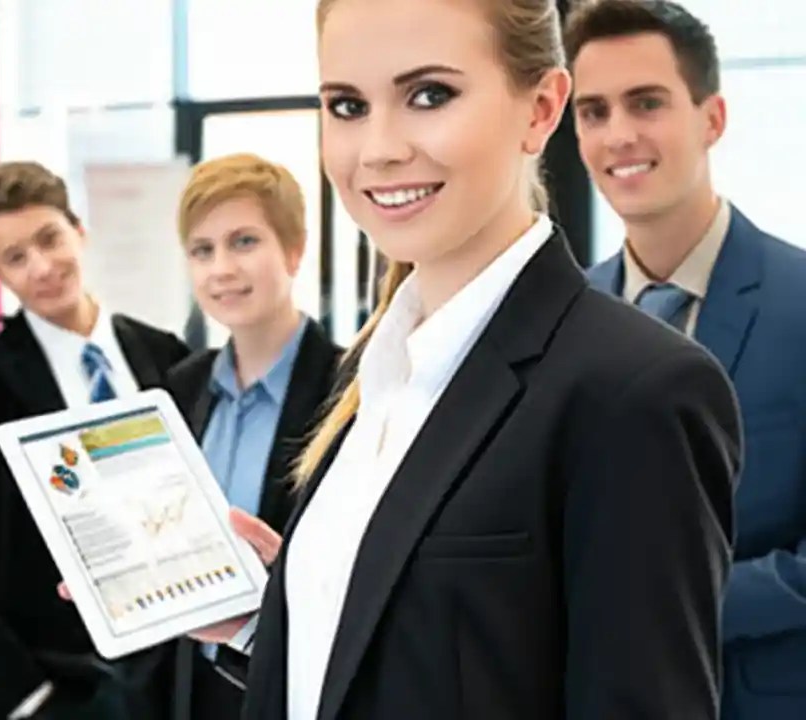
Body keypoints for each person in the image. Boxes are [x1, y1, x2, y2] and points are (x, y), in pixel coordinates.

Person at [205, 0, 741, 717]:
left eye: (430, 95)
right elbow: (451, 652)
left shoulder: (633, 389)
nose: (380, 149)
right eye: (347, 105)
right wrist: (275, 618)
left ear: (542, 109)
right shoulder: (373, 372)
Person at [568, 3, 806, 717]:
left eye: (647, 103)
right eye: (594, 111)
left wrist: (667, 608)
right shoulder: (560, 318)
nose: (619, 135)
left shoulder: (802, 304)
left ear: (713, 119)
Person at [0, 160, 191, 720]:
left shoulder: (168, 358)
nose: (41, 267)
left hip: (172, 676)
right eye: (16, 257)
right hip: (47, 686)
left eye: (50, 239)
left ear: (78, 231)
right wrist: (21, 693)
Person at [163, 153, 341, 720]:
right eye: (202, 250)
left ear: (293, 249)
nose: (221, 269)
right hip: (193, 688)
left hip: (298, 686)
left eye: (244, 242)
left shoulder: (351, 390)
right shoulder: (182, 387)